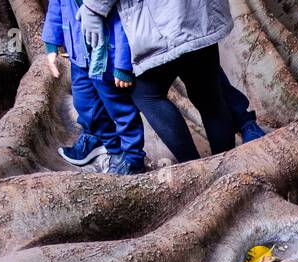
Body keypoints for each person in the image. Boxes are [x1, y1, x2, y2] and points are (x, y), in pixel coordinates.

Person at [80, 0, 265, 165]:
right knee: (210, 96)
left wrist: (93, 8)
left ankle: (193, 169)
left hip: (158, 23)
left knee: (147, 95)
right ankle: (227, 166)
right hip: (201, 14)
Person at [43, 0, 147, 176]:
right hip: (79, 55)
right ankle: (110, 146)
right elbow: (57, 7)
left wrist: (123, 66)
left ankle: (133, 159)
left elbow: (124, 22)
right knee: (84, 103)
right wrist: (51, 44)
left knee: (121, 110)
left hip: (108, 58)